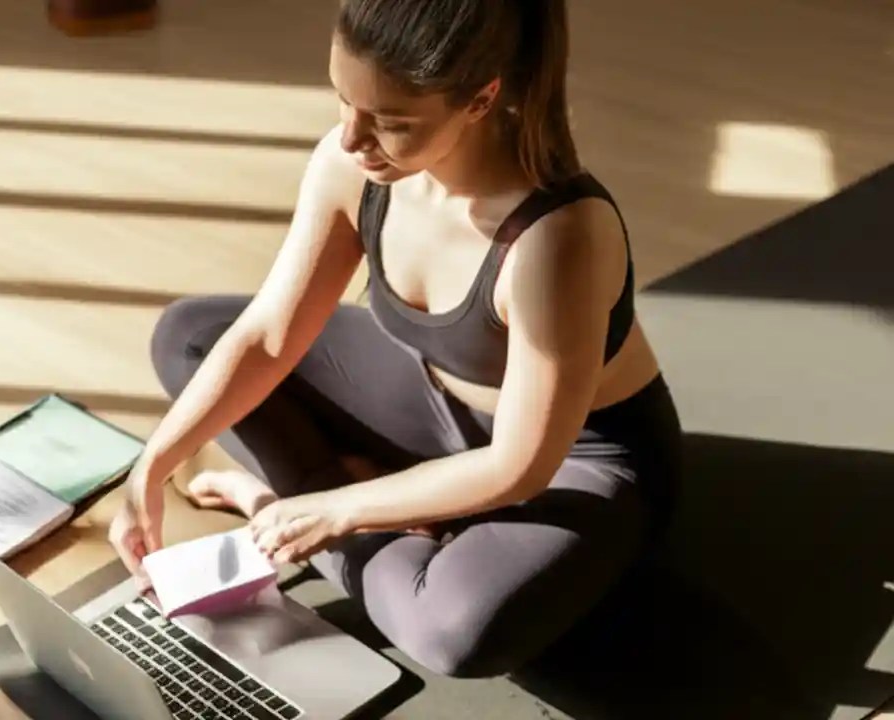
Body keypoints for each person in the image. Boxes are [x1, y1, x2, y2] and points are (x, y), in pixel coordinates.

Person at [108, 0, 683, 679]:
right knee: (190, 336)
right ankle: (347, 503)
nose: (352, 138)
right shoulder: (353, 164)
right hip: (432, 400)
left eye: (391, 121)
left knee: (455, 633)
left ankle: (283, 498)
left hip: (571, 460)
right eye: (344, 101)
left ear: (481, 99)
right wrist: (148, 468)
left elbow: (518, 466)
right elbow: (267, 336)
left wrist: (341, 509)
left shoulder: (557, 239)